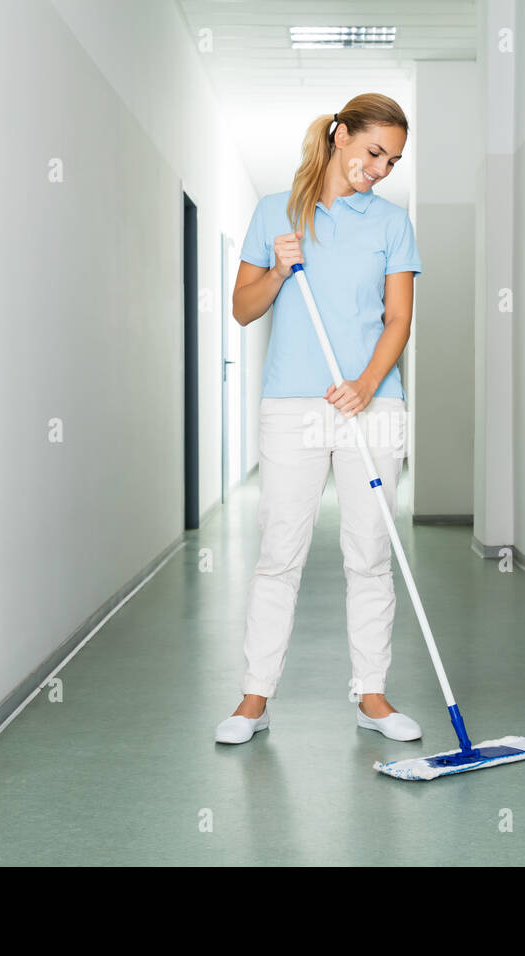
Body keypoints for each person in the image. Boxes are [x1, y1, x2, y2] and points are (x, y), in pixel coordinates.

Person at [216, 93, 423, 745]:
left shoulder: (392, 225)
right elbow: (242, 309)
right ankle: (254, 699)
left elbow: (398, 319)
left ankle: (373, 696)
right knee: (280, 552)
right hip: (292, 403)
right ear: (339, 136)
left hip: (372, 403)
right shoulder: (274, 211)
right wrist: (279, 269)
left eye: (391, 160)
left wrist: (365, 385)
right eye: (372, 152)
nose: (380, 168)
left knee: (369, 554)